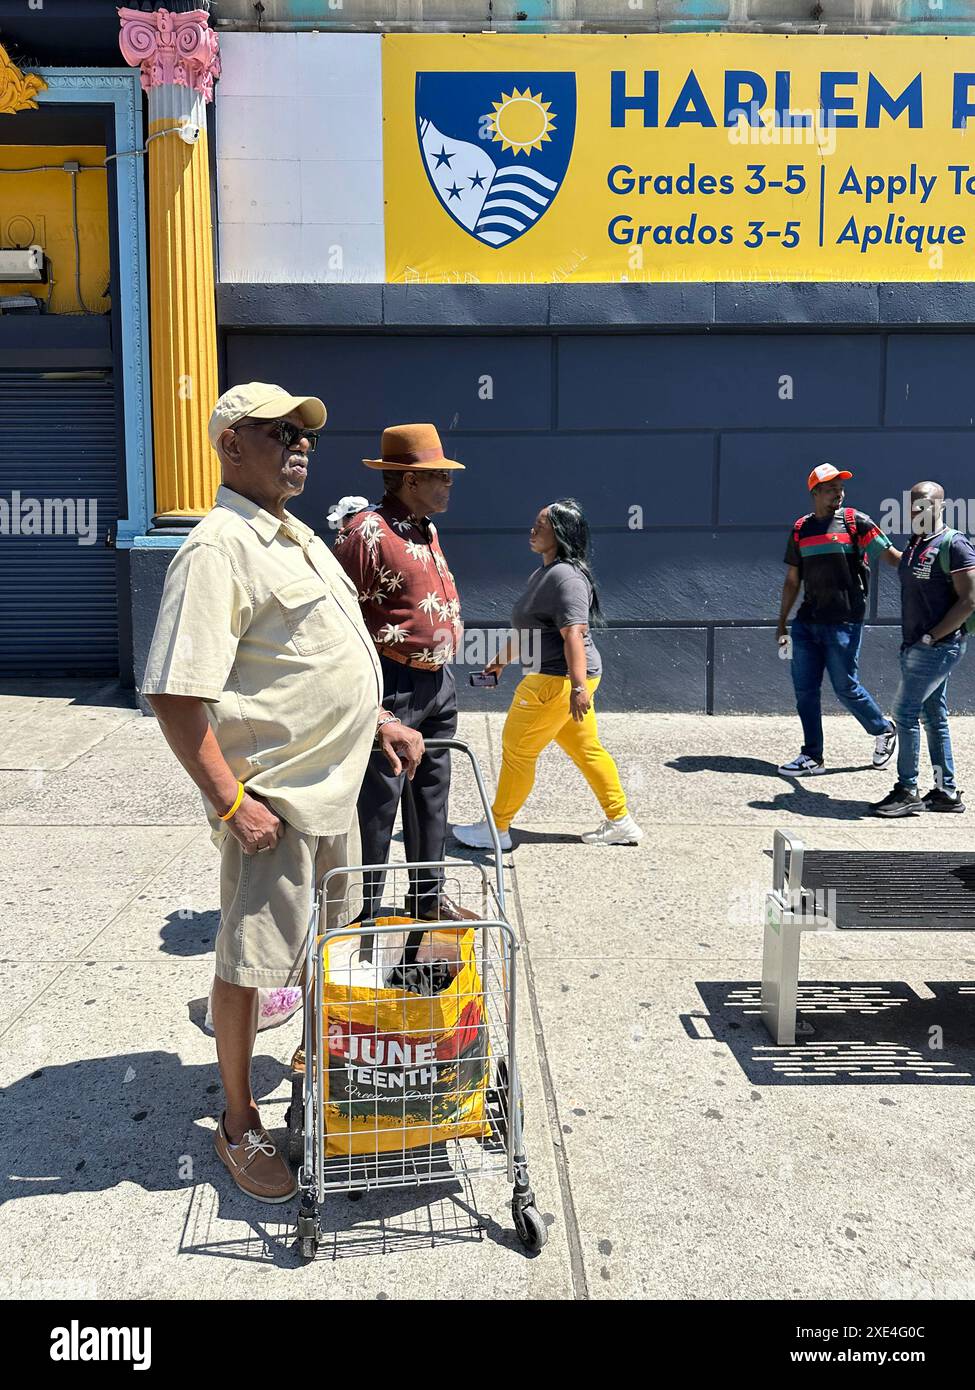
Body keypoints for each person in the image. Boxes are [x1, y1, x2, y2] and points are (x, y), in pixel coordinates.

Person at [142, 382, 423, 1204]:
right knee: (248, 962)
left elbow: (312, 658)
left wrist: (376, 718)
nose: (299, 444)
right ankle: (238, 1124)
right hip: (277, 807)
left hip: (335, 795)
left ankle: (317, 1070)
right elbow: (174, 692)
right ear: (230, 443)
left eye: (304, 433)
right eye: (277, 432)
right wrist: (233, 803)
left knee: (321, 956)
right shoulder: (216, 547)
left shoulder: (294, 536)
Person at [334, 423, 475, 922]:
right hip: (391, 686)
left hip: (436, 683)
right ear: (409, 479)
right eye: (441, 476)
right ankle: (363, 913)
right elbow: (337, 620)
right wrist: (372, 706)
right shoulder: (365, 532)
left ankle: (427, 900)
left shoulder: (425, 528)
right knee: (378, 806)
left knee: (431, 799)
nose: (449, 485)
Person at [452, 498, 643, 849]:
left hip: (558, 681)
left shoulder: (566, 578)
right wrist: (500, 661)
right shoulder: (545, 573)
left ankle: (498, 829)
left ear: (561, 533)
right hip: (564, 680)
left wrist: (579, 688)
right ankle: (620, 821)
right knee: (587, 749)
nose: (532, 529)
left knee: (517, 749)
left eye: (541, 525)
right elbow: (528, 630)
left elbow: (574, 632)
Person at [776, 463, 901, 776]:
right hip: (806, 623)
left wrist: (929, 566)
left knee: (845, 686)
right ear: (815, 492)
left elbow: (890, 556)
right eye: (831, 488)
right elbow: (793, 579)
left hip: (844, 621)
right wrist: (782, 622)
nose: (839, 493)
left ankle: (883, 729)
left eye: (841, 487)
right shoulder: (801, 529)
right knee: (805, 691)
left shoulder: (855, 521)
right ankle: (812, 756)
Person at [870, 480, 975, 817]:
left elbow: (970, 600)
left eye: (926, 503)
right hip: (917, 645)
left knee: (904, 713)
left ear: (941, 506)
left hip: (937, 646)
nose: (918, 508)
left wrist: (932, 637)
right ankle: (946, 793)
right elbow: (903, 567)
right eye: (914, 503)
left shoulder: (955, 544)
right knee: (934, 716)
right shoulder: (916, 542)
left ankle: (907, 789)